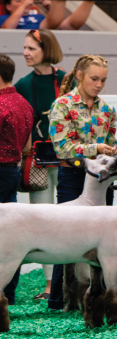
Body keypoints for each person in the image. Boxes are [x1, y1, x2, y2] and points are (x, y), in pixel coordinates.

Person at [47, 55, 117, 312]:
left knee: (101, 237)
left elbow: (109, 140)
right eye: (94, 78)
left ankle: (99, 298)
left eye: (103, 80)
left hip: (102, 180)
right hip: (73, 176)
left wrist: (111, 150)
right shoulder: (62, 105)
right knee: (64, 236)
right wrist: (95, 148)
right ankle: (60, 298)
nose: (99, 84)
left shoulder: (108, 109)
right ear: (79, 75)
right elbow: (61, 148)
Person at [14, 29, 66, 299]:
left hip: (68, 159)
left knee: (69, 217)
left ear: (46, 50)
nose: (25, 53)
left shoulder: (66, 79)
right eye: (25, 48)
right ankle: (49, 284)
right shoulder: (23, 84)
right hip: (37, 161)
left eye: (31, 48)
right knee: (42, 219)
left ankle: (68, 280)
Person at [0, 53, 34, 305]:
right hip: (12, 170)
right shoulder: (24, 103)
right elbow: (27, 146)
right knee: (9, 236)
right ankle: (7, 292)